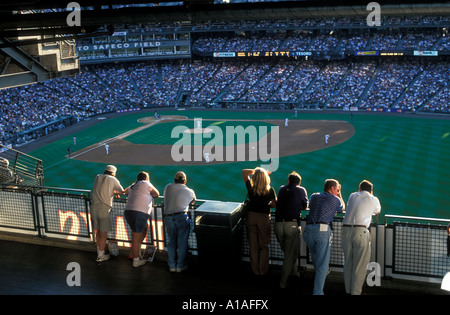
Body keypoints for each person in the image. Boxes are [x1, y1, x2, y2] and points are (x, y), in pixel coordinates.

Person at [303, 179, 345, 295]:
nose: (337, 191)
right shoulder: (336, 198)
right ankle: (318, 292)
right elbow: (342, 208)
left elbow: (313, 206)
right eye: (337, 189)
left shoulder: (314, 196)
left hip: (308, 231)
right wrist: (339, 194)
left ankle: (320, 280)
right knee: (322, 265)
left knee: (317, 260)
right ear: (331, 188)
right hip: (322, 232)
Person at [341, 180, 381, 295]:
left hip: (345, 230)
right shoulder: (373, 199)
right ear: (371, 191)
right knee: (360, 265)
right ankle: (356, 292)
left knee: (348, 262)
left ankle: (348, 290)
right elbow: (377, 211)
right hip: (360, 231)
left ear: (359, 189)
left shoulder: (352, 195)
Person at [274, 171, 308, 288]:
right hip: (291, 226)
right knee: (289, 255)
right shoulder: (301, 190)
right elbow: (305, 206)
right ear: (299, 183)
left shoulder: (281, 188)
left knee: (289, 253)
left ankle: (295, 273)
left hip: (278, 225)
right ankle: (283, 282)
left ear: (288, 181)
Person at [242, 167, 277, 276]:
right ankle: (262, 271)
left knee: (253, 246)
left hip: (251, 216)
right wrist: (263, 172)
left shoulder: (251, 188)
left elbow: (244, 172)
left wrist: (259, 171)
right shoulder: (270, 190)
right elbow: (275, 205)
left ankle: (255, 271)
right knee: (264, 246)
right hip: (264, 218)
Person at [123, 171, 160, 267]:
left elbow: (124, 191)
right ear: (146, 178)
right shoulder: (146, 183)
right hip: (139, 213)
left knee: (144, 228)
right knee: (135, 236)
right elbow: (156, 194)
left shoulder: (133, 185)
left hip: (128, 212)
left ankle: (136, 249)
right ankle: (136, 260)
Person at [163, 171, 196, 272]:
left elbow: (165, 197)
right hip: (182, 217)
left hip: (168, 217)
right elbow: (193, 201)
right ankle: (180, 266)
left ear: (174, 180)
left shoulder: (168, 187)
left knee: (172, 241)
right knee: (182, 242)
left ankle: (172, 265)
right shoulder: (189, 191)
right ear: (185, 181)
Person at [90, 165, 124, 263]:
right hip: (104, 208)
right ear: (113, 173)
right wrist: (115, 191)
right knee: (103, 232)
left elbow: (102, 189)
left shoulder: (98, 177)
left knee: (98, 232)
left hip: (94, 207)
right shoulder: (113, 179)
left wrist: (112, 191)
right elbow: (122, 191)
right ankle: (100, 255)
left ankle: (99, 252)